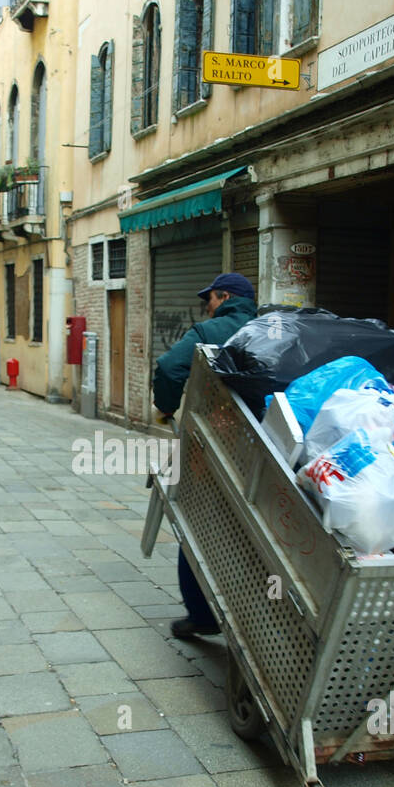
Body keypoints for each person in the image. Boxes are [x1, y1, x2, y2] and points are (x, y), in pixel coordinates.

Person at [152, 272, 257, 640]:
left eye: (209, 299)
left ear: (224, 297)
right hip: (265, 454)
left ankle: (202, 615)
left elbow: (168, 367)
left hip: (216, 445)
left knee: (195, 525)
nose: (207, 307)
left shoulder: (211, 331)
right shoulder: (272, 327)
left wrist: (164, 407)